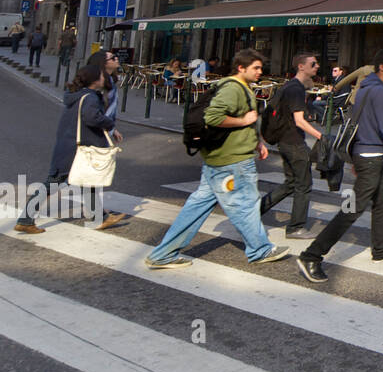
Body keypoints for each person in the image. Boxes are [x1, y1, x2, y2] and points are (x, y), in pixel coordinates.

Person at [145, 49, 290, 269]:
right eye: (256, 68)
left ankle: (163, 254)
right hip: (232, 161)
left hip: (219, 159)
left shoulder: (230, 86)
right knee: (246, 205)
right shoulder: (234, 89)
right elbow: (214, 117)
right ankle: (260, 250)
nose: (261, 72)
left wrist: (256, 141)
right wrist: (243, 122)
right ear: (241, 68)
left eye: (261, 67)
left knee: (196, 207)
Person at [297, 49, 383, 283]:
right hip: (371, 156)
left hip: (365, 154)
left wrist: (355, 158)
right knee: (351, 210)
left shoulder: (363, 89)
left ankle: (382, 249)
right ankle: (312, 255)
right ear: (382, 67)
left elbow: (354, 123)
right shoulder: (380, 92)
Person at [15, 63, 127, 234]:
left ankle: (101, 217)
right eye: (102, 76)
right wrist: (109, 122)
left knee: (86, 183)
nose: (105, 78)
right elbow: (92, 118)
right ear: (94, 80)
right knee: (52, 184)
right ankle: (25, 220)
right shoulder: (90, 97)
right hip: (75, 150)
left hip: (68, 146)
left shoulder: (77, 95)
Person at [259, 53, 323, 238]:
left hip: (284, 142)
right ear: (301, 66)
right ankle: (296, 227)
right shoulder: (295, 89)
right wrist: (321, 136)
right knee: (304, 184)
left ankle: (254, 212)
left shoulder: (290, 86)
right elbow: (299, 121)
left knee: (291, 183)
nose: (317, 66)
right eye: (313, 63)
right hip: (294, 143)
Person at [86, 50, 123, 140]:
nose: (116, 58)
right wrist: (108, 126)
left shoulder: (111, 81)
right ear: (104, 63)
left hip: (103, 130)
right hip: (96, 133)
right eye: (113, 58)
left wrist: (112, 129)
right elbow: (94, 111)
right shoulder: (98, 84)